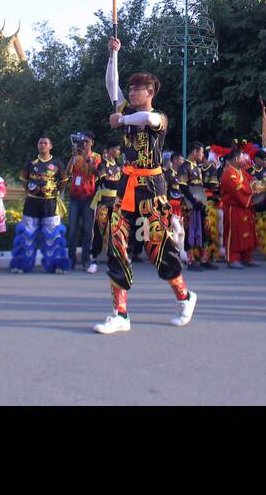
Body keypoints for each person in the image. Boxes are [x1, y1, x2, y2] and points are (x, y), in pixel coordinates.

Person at [94, 36, 196, 334]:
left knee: (157, 248)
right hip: (126, 186)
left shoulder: (157, 117)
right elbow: (110, 86)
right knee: (115, 242)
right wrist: (113, 56)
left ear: (150, 91)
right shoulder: (126, 109)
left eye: (137, 88)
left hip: (152, 188)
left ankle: (185, 297)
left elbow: (147, 119)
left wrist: (121, 121)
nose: (131, 91)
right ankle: (120, 313)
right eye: (131, 87)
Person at [11, 136, 70, 273]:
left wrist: (55, 191)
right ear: (38, 146)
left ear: (50, 146)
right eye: (40, 143)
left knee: (53, 235)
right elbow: (24, 179)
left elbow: (64, 180)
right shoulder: (31, 162)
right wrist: (31, 190)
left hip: (50, 203)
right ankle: (21, 264)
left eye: (45, 143)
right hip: (32, 202)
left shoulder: (57, 163)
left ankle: (57, 265)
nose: (42, 145)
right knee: (27, 233)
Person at [65, 132, 100, 271]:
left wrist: (86, 157)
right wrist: (73, 156)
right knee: (72, 230)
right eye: (82, 141)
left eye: (86, 141)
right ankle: (70, 260)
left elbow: (94, 172)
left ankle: (86, 261)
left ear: (92, 142)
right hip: (74, 197)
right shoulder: (76, 156)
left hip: (88, 197)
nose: (84, 144)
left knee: (87, 230)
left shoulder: (96, 157)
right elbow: (67, 173)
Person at [90, 135, 124, 274]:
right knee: (99, 231)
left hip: (117, 203)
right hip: (104, 202)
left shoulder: (119, 166)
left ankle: (113, 259)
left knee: (115, 232)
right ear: (110, 150)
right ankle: (94, 259)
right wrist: (118, 184)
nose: (118, 151)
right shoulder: (102, 166)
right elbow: (105, 182)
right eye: (117, 149)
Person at [220, 145, 257, 268]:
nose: (245, 160)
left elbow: (252, 180)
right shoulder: (229, 173)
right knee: (234, 233)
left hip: (244, 207)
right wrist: (253, 192)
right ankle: (232, 259)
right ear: (236, 159)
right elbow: (238, 189)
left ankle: (246, 257)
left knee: (247, 233)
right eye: (242, 157)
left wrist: (259, 185)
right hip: (234, 208)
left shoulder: (241, 171)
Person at [178, 143, 210, 269]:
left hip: (199, 204)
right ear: (195, 152)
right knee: (189, 231)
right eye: (201, 152)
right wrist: (193, 201)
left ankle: (202, 258)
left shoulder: (196, 167)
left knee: (202, 230)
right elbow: (183, 187)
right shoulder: (184, 167)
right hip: (189, 205)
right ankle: (190, 261)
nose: (202, 155)